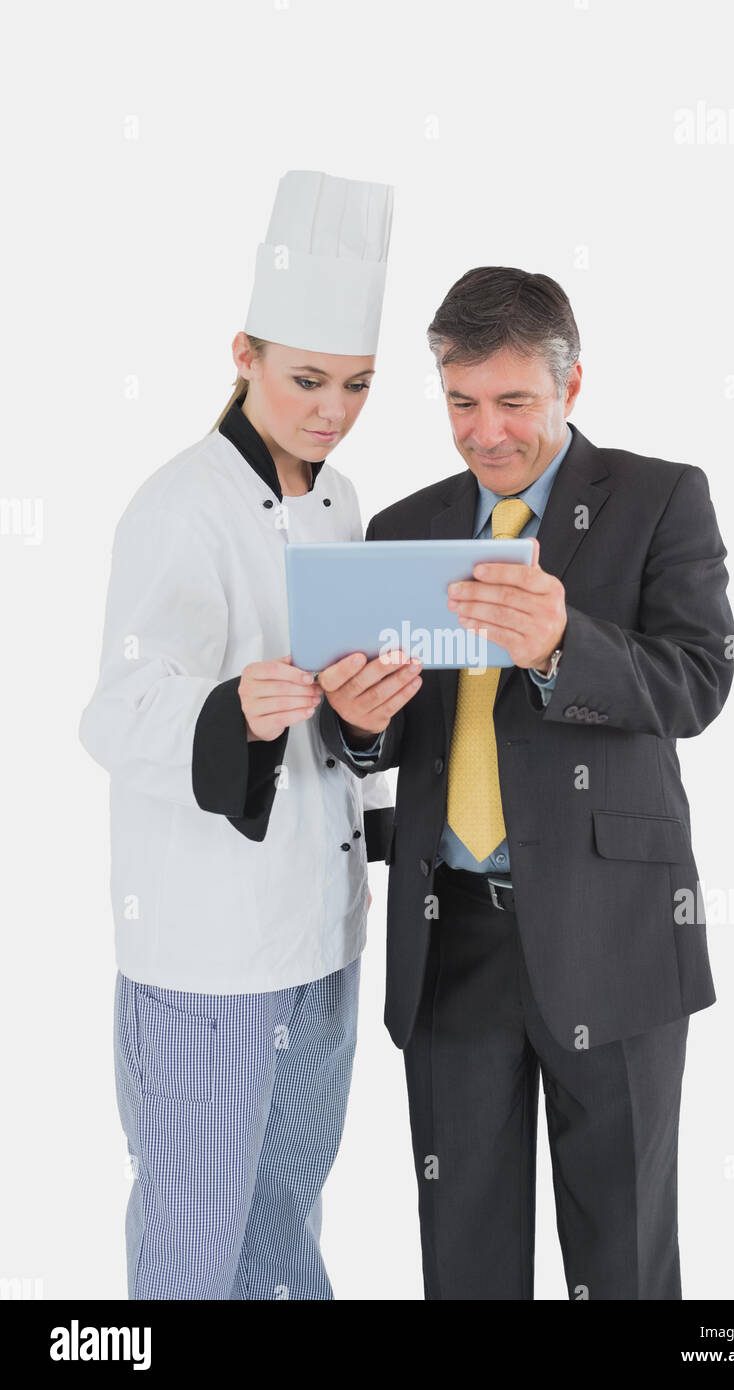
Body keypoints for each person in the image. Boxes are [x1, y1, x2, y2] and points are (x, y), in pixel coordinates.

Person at [317, 265, 734, 1300]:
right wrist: (359, 726)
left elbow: (700, 679)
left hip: (615, 934)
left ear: (570, 386)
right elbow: (373, 735)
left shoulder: (656, 498)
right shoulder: (404, 527)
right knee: (462, 1252)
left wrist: (562, 646)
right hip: (451, 937)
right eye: (461, 401)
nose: (485, 431)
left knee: (623, 1252)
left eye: (513, 402)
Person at [79, 169, 403, 1300]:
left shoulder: (344, 502)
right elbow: (114, 711)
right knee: (195, 1233)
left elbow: (341, 732)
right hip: (206, 953)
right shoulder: (175, 508)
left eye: (356, 384)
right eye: (307, 379)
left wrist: (361, 723)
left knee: (286, 1224)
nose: (331, 409)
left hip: (322, 935)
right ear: (243, 353)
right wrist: (231, 706)